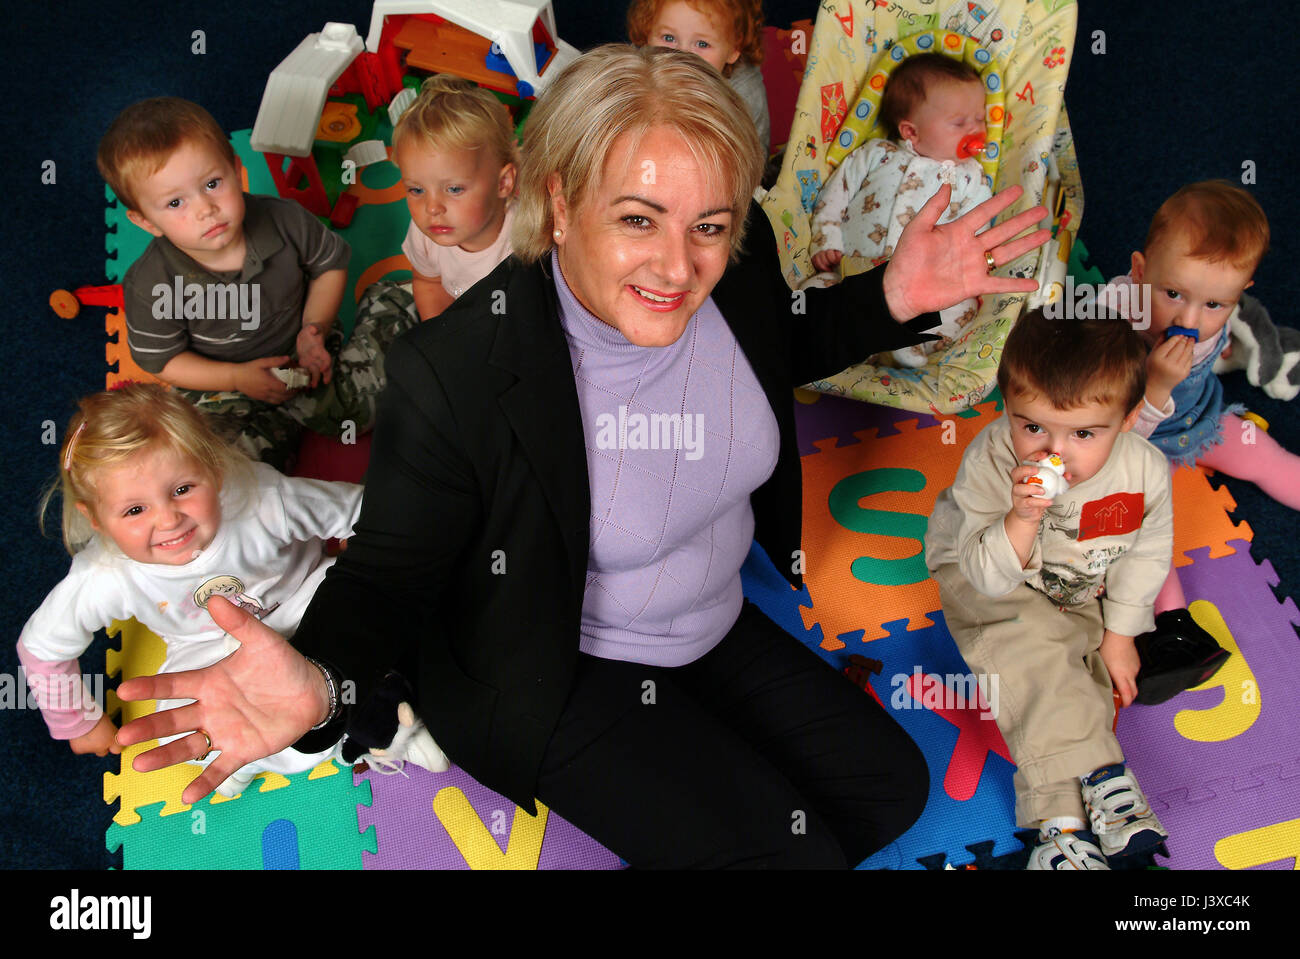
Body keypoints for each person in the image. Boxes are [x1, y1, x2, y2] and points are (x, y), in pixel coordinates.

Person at [116, 45, 1048, 869]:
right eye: (638, 220)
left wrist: (889, 295)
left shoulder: (741, 253)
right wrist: (319, 685)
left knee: (888, 789)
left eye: (708, 226)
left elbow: (773, 347)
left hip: (708, 621)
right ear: (558, 202)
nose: (679, 269)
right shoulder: (456, 373)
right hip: (551, 661)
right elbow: (391, 578)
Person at [18, 384, 447, 797]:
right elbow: (42, 647)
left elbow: (362, 512)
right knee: (176, 716)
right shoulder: (104, 574)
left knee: (400, 611)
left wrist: (367, 558)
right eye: (134, 510)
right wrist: (77, 721)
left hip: (308, 598)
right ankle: (280, 747)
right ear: (94, 520)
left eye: (183, 489)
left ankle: (379, 724)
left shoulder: (262, 498)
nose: (169, 520)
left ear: (213, 467)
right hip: (210, 648)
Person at [924, 308, 1172, 870]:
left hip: (1069, 584)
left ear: (1129, 418)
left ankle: (1058, 830)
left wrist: (1121, 633)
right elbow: (988, 576)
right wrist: (1022, 519)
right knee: (1032, 652)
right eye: (1032, 426)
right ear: (1006, 408)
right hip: (982, 566)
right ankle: (1107, 775)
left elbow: (1148, 550)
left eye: (1083, 433)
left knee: (1068, 668)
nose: (1052, 452)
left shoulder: (1144, 470)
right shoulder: (993, 458)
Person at [100, 97, 418, 471]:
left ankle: (390, 304)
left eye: (213, 183)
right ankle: (280, 431)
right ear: (146, 222)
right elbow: (164, 361)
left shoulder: (283, 220)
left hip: (302, 353)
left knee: (362, 414)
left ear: (238, 172)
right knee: (216, 472)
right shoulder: (151, 284)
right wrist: (236, 377)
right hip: (220, 385)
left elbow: (330, 267)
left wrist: (313, 330)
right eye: (175, 203)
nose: (205, 208)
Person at [1102, 183, 1299, 651]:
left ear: (1237, 294)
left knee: (1266, 457)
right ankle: (1172, 627)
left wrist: (1233, 349)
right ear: (1139, 270)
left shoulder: (1218, 308)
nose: (1190, 317)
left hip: (1200, 420)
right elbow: (1106, 426)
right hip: (1134, 445)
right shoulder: (1110, 323)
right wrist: (1156, 386)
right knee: (1148, 530)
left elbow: (1239, 329)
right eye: (1172, 293)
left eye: (1214, 305)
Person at [810, 53, 993, 367]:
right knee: (813, 293)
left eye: (980, 118)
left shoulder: (970, 176)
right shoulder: (876, 154)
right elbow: (834, 197)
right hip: (854, 272)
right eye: (960, 122)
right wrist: (827, 241)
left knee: (959, 311)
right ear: (911, 131)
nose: (976, 130)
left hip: (930, 283)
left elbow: (978, 227)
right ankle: (853, 344)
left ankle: (912, 346)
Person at [394, 75, 520, 320]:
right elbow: (428, 282)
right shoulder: (425, 234)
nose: (431, 208)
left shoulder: (527, 239)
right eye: (417, 190)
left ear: (502, 183)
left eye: (453, 189)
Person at [627, 0, 771, 156]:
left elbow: (751, 163)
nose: (682, 56)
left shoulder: (744, 93)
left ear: (734, 50)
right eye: (668, 38)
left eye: (702, 44)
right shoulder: (633, 72)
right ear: (647, 34)